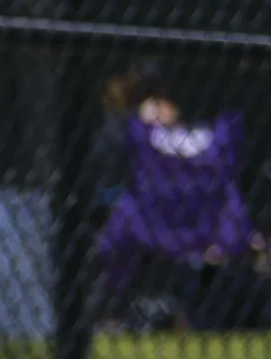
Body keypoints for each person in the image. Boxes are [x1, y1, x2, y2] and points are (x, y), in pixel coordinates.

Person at [93, 72, 259, 329]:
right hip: (154, 219)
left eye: (164, 100)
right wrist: (136, 114)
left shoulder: (219, 130)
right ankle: (113, 313)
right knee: (122, 217)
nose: (160, 107)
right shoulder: (140, 129)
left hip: (207, 221)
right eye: (154, 100)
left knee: (235, 215)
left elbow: (233, 184)